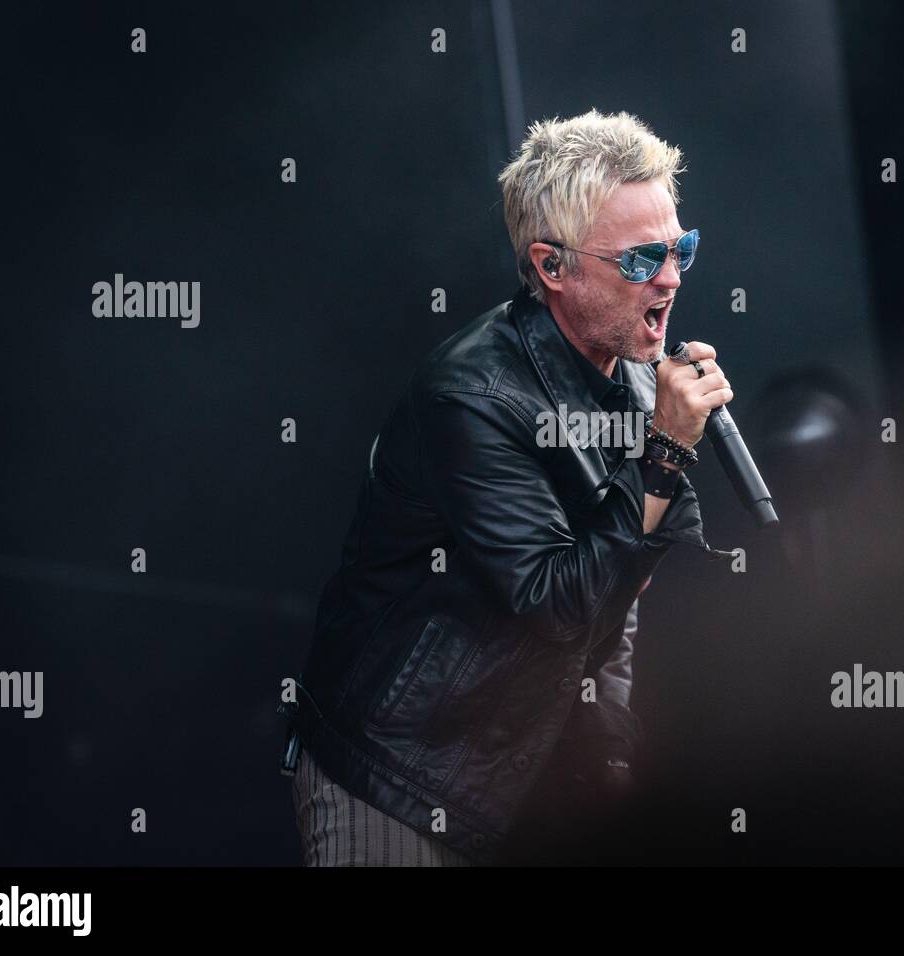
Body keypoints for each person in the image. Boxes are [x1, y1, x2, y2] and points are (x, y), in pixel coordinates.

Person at [281, 107, 734, 865]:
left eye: (680, 247)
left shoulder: (629, 381)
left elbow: (631, 590)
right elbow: (557, 604)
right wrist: (664, 451)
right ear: (552, 268)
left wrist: (615, 747)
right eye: (639, 260)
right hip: (402, 774)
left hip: (533, 780)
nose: (671, 276)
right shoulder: (474, 399)